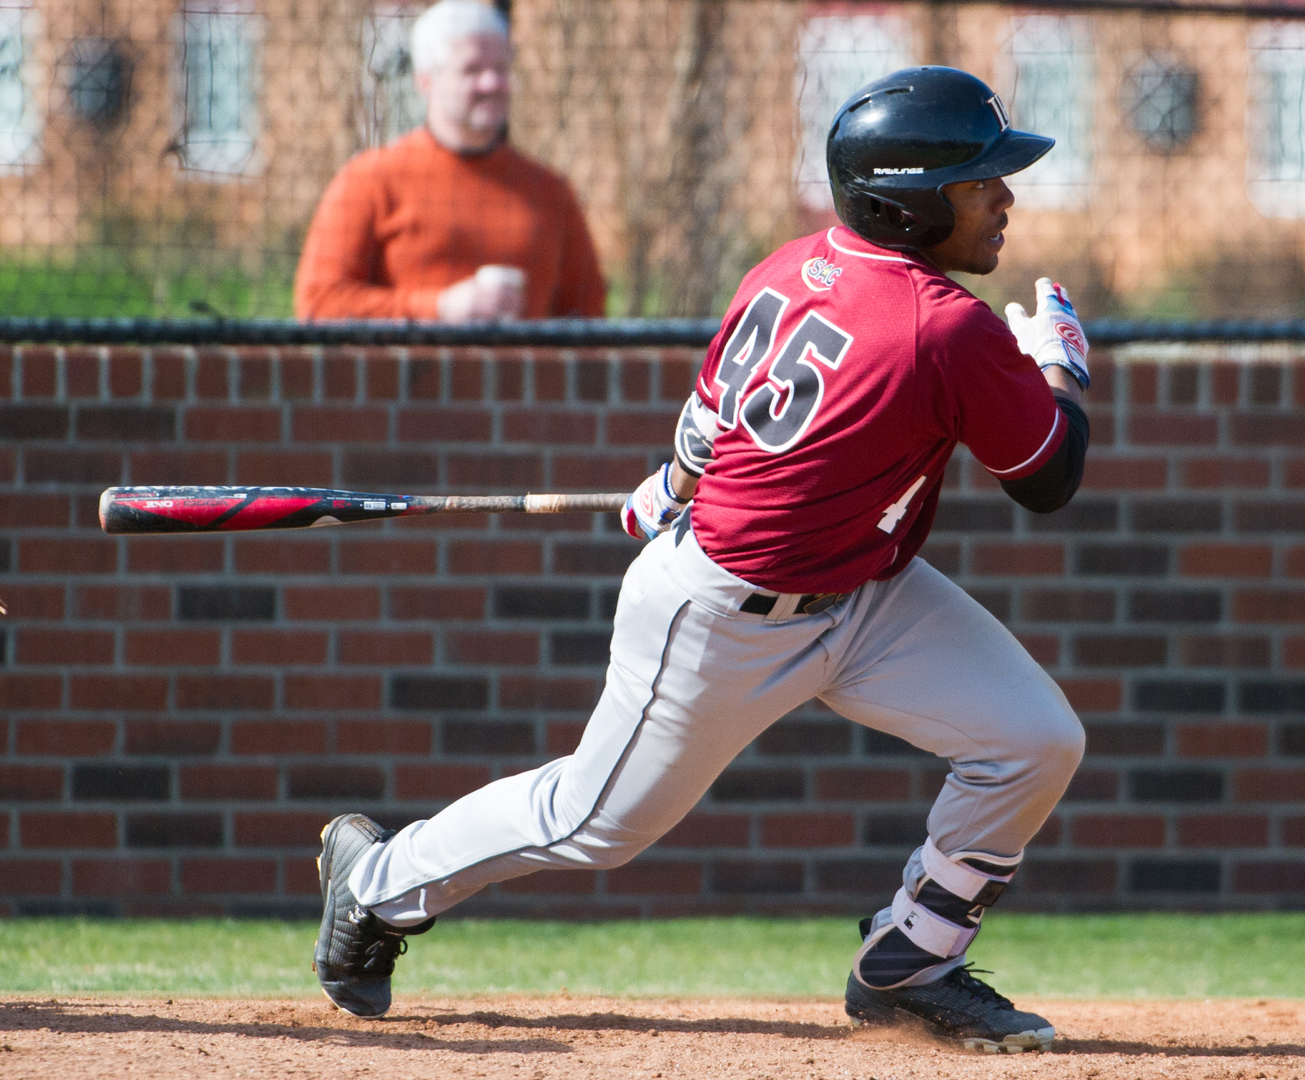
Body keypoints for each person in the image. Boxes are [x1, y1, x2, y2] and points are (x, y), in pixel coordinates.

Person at [312, 67, 1092, 1054]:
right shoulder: (944, 326)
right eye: (982, 183)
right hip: (724, 615)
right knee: (593, 822)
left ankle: (913, 958)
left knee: (1033, 738)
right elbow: (1050, 478)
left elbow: (714, 414)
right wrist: (1060, 367)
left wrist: (675, 482)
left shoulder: (787, 265)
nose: (1006, 199)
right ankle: (375, 882)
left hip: (868, 592)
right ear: (908, 202)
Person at [293, 0, 605, 321]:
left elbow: (588, 313)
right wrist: (440, 309)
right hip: (410, 371)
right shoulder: (370, 179)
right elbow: (319, 302)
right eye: (472, 69)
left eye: (501, 69)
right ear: (426, 80)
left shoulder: (549, 191)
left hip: (517, 372)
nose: (492, 83)